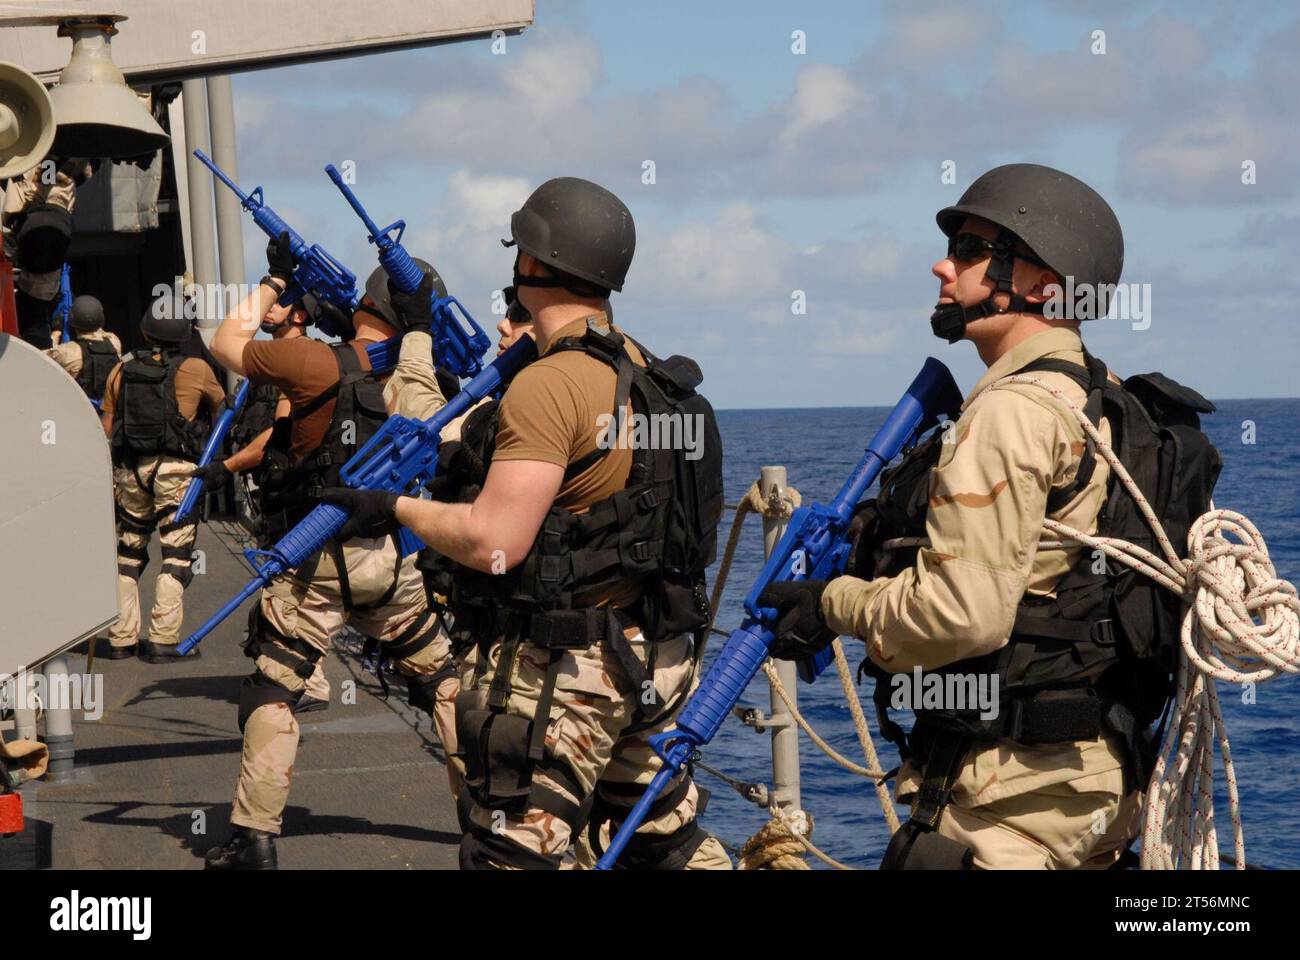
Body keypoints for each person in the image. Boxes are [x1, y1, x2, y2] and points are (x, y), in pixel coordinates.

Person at [758, 163, 1219, 869]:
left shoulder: (1008, 413)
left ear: (1042, 284)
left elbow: (964, 615)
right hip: (1097, 782)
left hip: (1010, 796)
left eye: (973, 251)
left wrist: (833, 604)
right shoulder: (1104, 400)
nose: (944, 264)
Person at [324, 178, 732, 870]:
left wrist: (390, 507)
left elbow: (495, 542)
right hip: (656, 657)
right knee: (660, 843)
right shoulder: (651, 375)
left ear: (534, 267)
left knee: (509, 853)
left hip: (568, 670)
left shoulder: (551, 383)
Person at [200, 235, 460, 870]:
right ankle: (486, 820)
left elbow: (224, 343)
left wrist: (275, 279)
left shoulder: (314, 364)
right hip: (391, 564)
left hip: (313, 561)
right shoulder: (429, 379)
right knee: (445, 684)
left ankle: (256, 839)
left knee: (274, 689)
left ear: (367, 302)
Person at [99, 294, 226, 661]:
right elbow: (222, 409)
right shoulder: (197, 369)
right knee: (175, 554)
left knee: (128, 553)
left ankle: (121, 639)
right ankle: (163, 640)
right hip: (176, 473)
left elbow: (108, 426)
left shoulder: (120, 370)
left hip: (130, 472)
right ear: (184, 331)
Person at [2, 159, 95, 349]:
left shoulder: (43, 160)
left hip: (36, 224)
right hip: (56, 228)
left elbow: (45, 176)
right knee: (37, 306)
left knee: (33, 306)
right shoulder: (70, 161)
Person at [45, 294, 121, 403]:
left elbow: (40, 359)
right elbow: (100, 332)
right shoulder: (114, 342)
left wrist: (56, 332)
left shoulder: (68, 352)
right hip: (108, 410)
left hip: (80, 410)